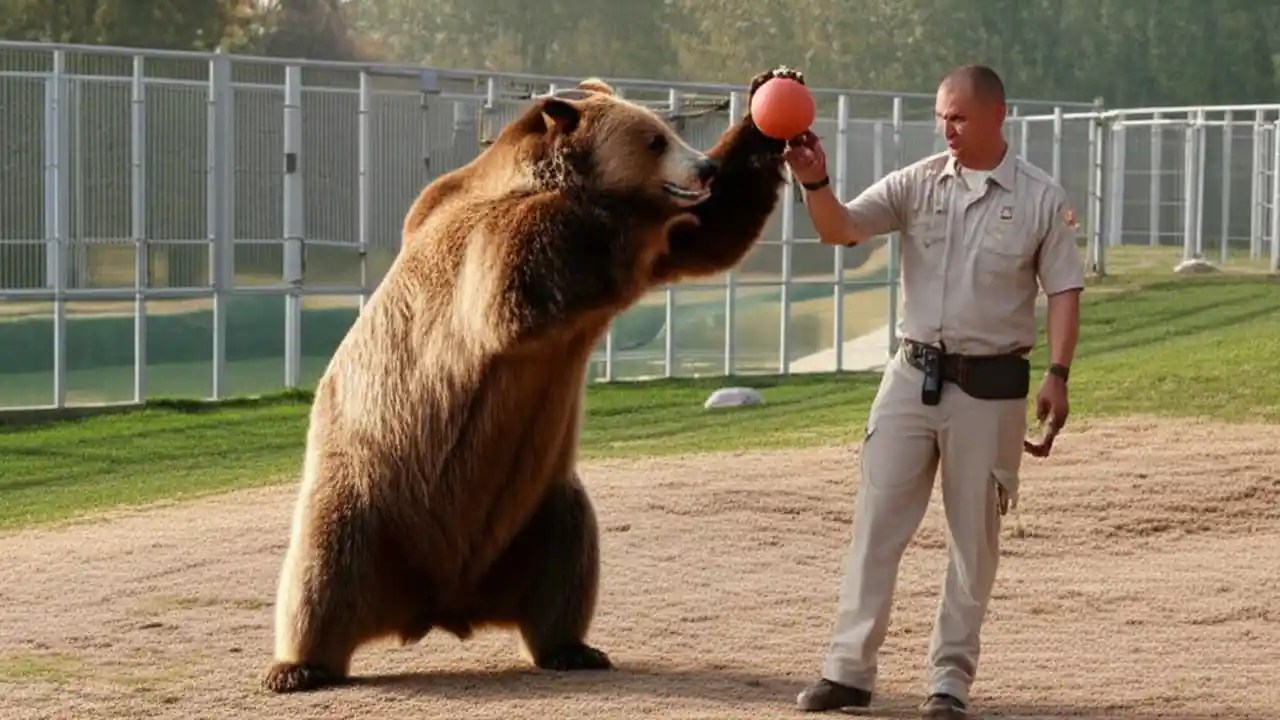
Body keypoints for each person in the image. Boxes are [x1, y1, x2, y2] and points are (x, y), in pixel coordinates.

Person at [785, 65, 1084, 719]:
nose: (945, 129)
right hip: (909, 377)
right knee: (875, 527)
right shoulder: (916, 184)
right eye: (941, 116)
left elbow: (1064, 290)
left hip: (992, 390)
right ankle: (848, 672)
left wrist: (1058, 374)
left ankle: (948, 682)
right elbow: (840, 228)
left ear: (997, 116)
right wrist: (814, 179)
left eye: (958, 118)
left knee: (972, 543)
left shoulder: (1039, 198)